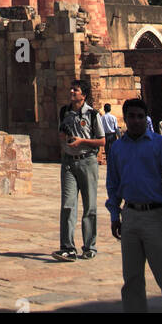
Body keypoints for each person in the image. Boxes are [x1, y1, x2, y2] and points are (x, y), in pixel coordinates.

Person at [106, 96, 162, 313]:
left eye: (140, 117)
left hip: (155, 216)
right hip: (130, 215)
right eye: (131, 117)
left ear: (146, 118)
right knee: (132, 279)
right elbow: (113, 184)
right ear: (125, 119)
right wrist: (115, 215)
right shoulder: (117, 148)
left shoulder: (160, 145)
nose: (136, 121)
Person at [53, 79, 105, 261]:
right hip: (68, 162)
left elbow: (102, 141)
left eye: (75, 90)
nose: (71, 92)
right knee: (67, 205)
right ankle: (67, 247)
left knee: (89, 205)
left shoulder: (92, 115)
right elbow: (60, 134)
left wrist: (81, 141)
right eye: (71, 89)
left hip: (87, 161)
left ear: (84, 95)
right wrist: (64, 137)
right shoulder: (64, 112)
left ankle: (89, 246)